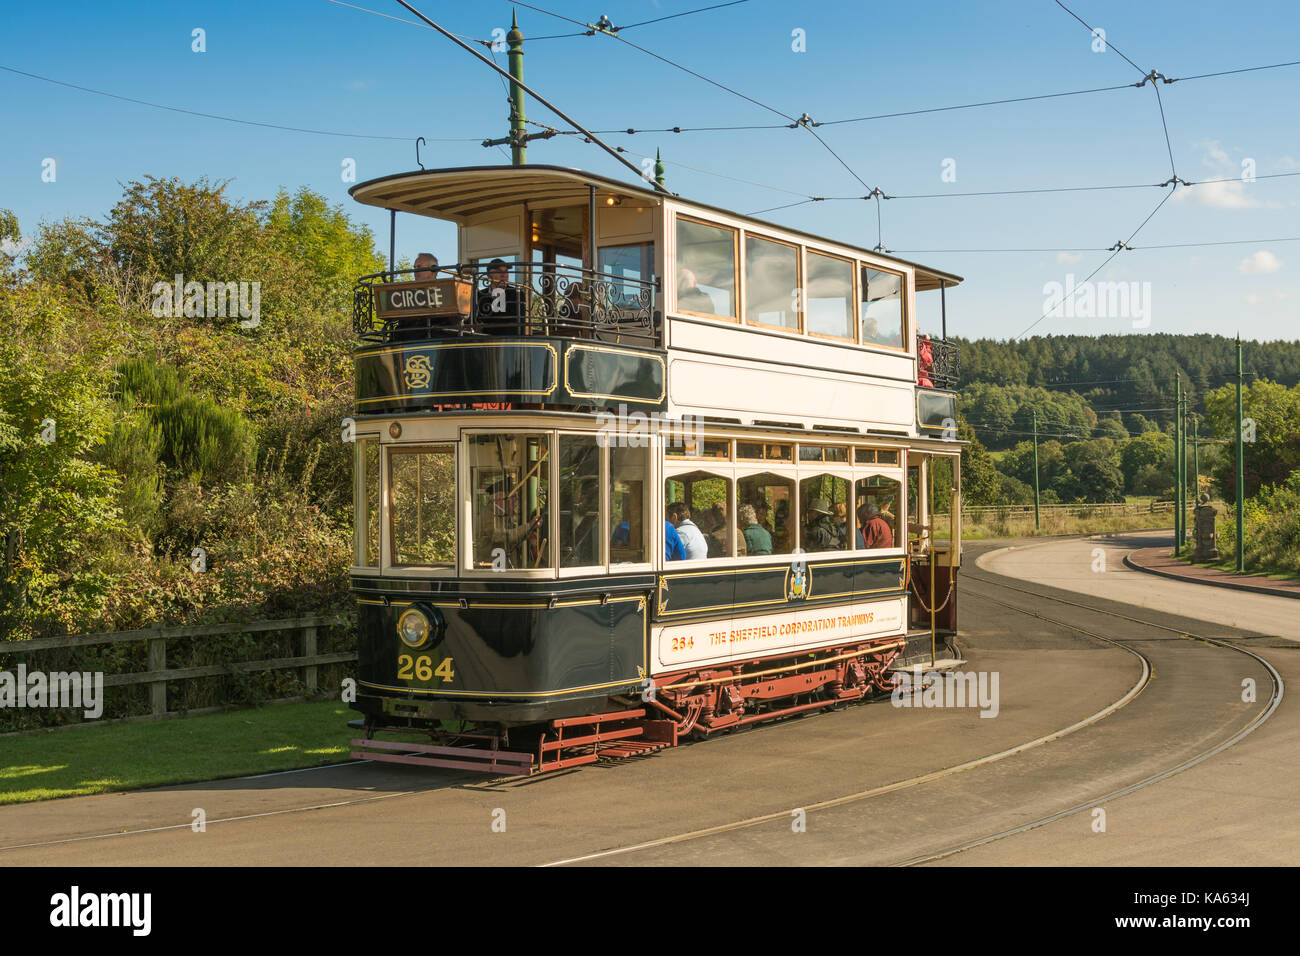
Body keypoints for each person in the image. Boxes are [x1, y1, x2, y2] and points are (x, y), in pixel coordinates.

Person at [476, 258, 525, 332]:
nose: (503, 275)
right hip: (484, 340)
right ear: (489, 275)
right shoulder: (479, 295)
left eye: (506, 271)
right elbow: (475, 321)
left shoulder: (517, 294)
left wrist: (486, 326)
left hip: (509, 340)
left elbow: (515, 323)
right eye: (499, 271)